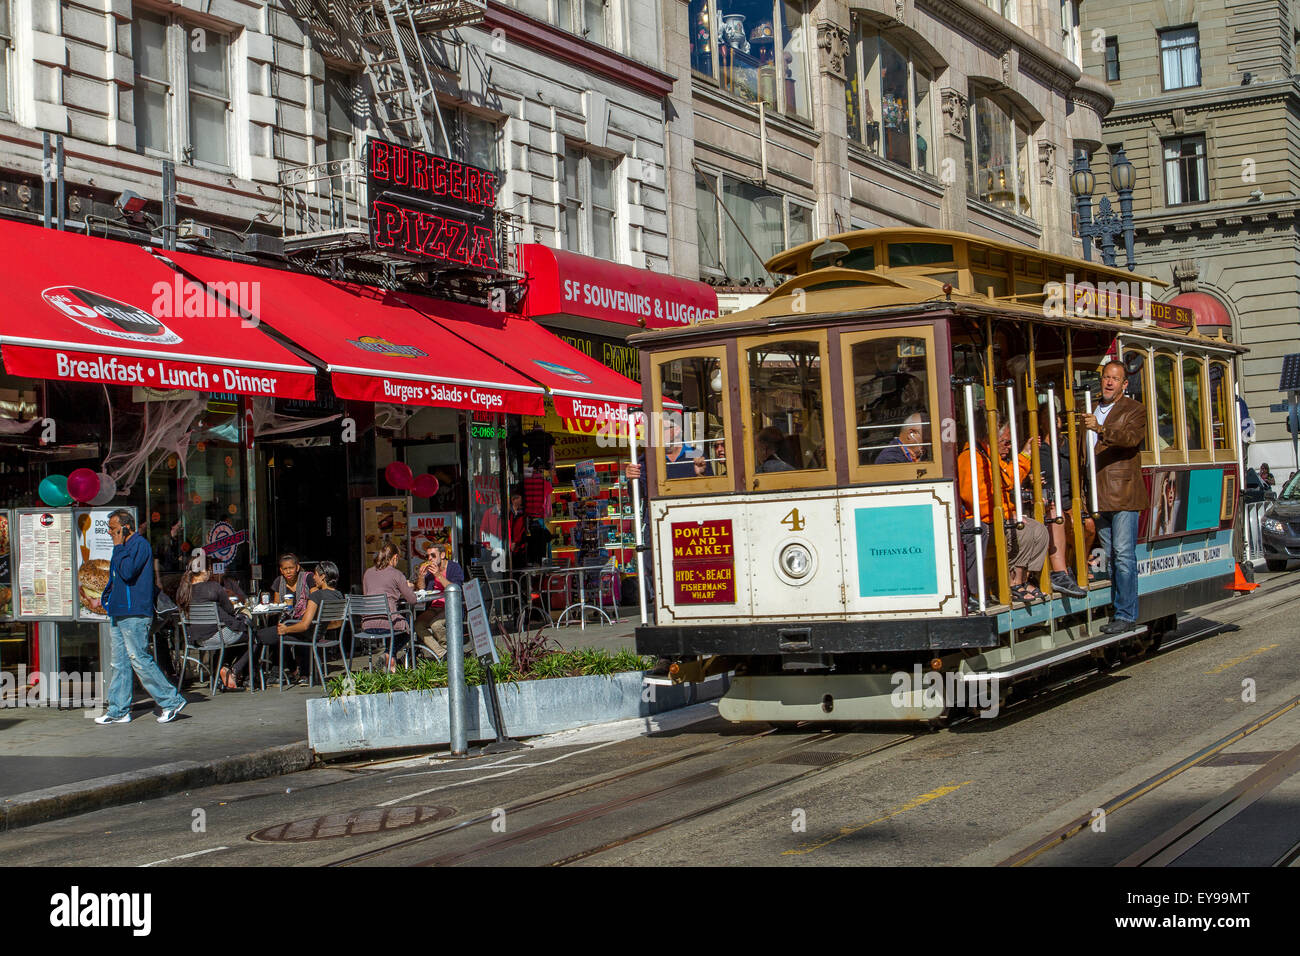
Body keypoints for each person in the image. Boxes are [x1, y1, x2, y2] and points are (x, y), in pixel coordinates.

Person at [93, 509, 189, 724]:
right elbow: (117, 576)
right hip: (120, 610)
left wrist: (118, 547)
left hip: (134, 611)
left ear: (125, 527)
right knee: (119, 662)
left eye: (112, 528)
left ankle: (171, 701)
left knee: (139, 659)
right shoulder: (124, 547)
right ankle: (118, 710)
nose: (109, 532)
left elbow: (128, 572)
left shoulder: (138, 545)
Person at [1081, 360, 1148, 634]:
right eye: (1106, 377)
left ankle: (1126, 615)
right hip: (1098, 496)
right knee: (1111, 555)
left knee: (1123, 555)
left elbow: (1130, 439)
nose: (1109, 382)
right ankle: (1117, 610)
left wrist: (1099, 429)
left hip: (1123, 495)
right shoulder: (1091, 408)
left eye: (1115, 379)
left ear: (1124, 384)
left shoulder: (1135, 410)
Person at [957, 411, 1050, 606]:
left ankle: (1021, 581)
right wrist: (1009, 514)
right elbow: (975, 499)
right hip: (983, 521)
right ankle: (1008, 583)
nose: (1008, 447)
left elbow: (1007, 476)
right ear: (989, 436)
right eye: (1006, 442)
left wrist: (1025, 455)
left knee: (1039, 530)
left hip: (996, 517)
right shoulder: (971, 458)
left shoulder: (990, 456)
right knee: (1024, 531)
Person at [1036, 407, 1087, 598]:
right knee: (1058, 517)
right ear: (1040, 422)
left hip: (1066, 501)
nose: (1053, 420)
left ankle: (1078, 566)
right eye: (1047, 416)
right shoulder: (1037, 449)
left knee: (1087, 524)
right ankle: (1061, 573)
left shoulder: (1067, 446)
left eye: (1056, 416)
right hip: (1047, 502)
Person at [176, 567, 247, 691]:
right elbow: (230, 610)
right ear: (202, 572)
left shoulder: (183, 590)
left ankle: (221, 669)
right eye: (207, 570)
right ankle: (232, 670)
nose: (210, 572)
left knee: (237, 636)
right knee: (251, 635)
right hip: (217, 635)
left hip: (195, 639)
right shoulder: (213, 587)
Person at [363, 542, 420, 673]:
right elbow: (412, 600)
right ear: (394, 557)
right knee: (407, 628)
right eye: (397, 559)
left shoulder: (368, 573)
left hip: (367, 624)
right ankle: (388, 654)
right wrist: (406, 588)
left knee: (394, 622)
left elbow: (368, 596)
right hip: (387, 622)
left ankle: (391, 667)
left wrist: (396, 592)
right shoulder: (396, 574)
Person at [414, 545, 466, 658]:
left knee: (435, 624)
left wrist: (438, 575)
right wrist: (421, 577)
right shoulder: (430, 570)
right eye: (428, 556)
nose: (430, 559)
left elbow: (455, 588)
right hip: (434, 607)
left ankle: (452, 652)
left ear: (442, 555)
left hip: (451, 606)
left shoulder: (454, 567)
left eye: (433, 555)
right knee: (418, 625)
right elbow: (421, 589)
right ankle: (443, 654)